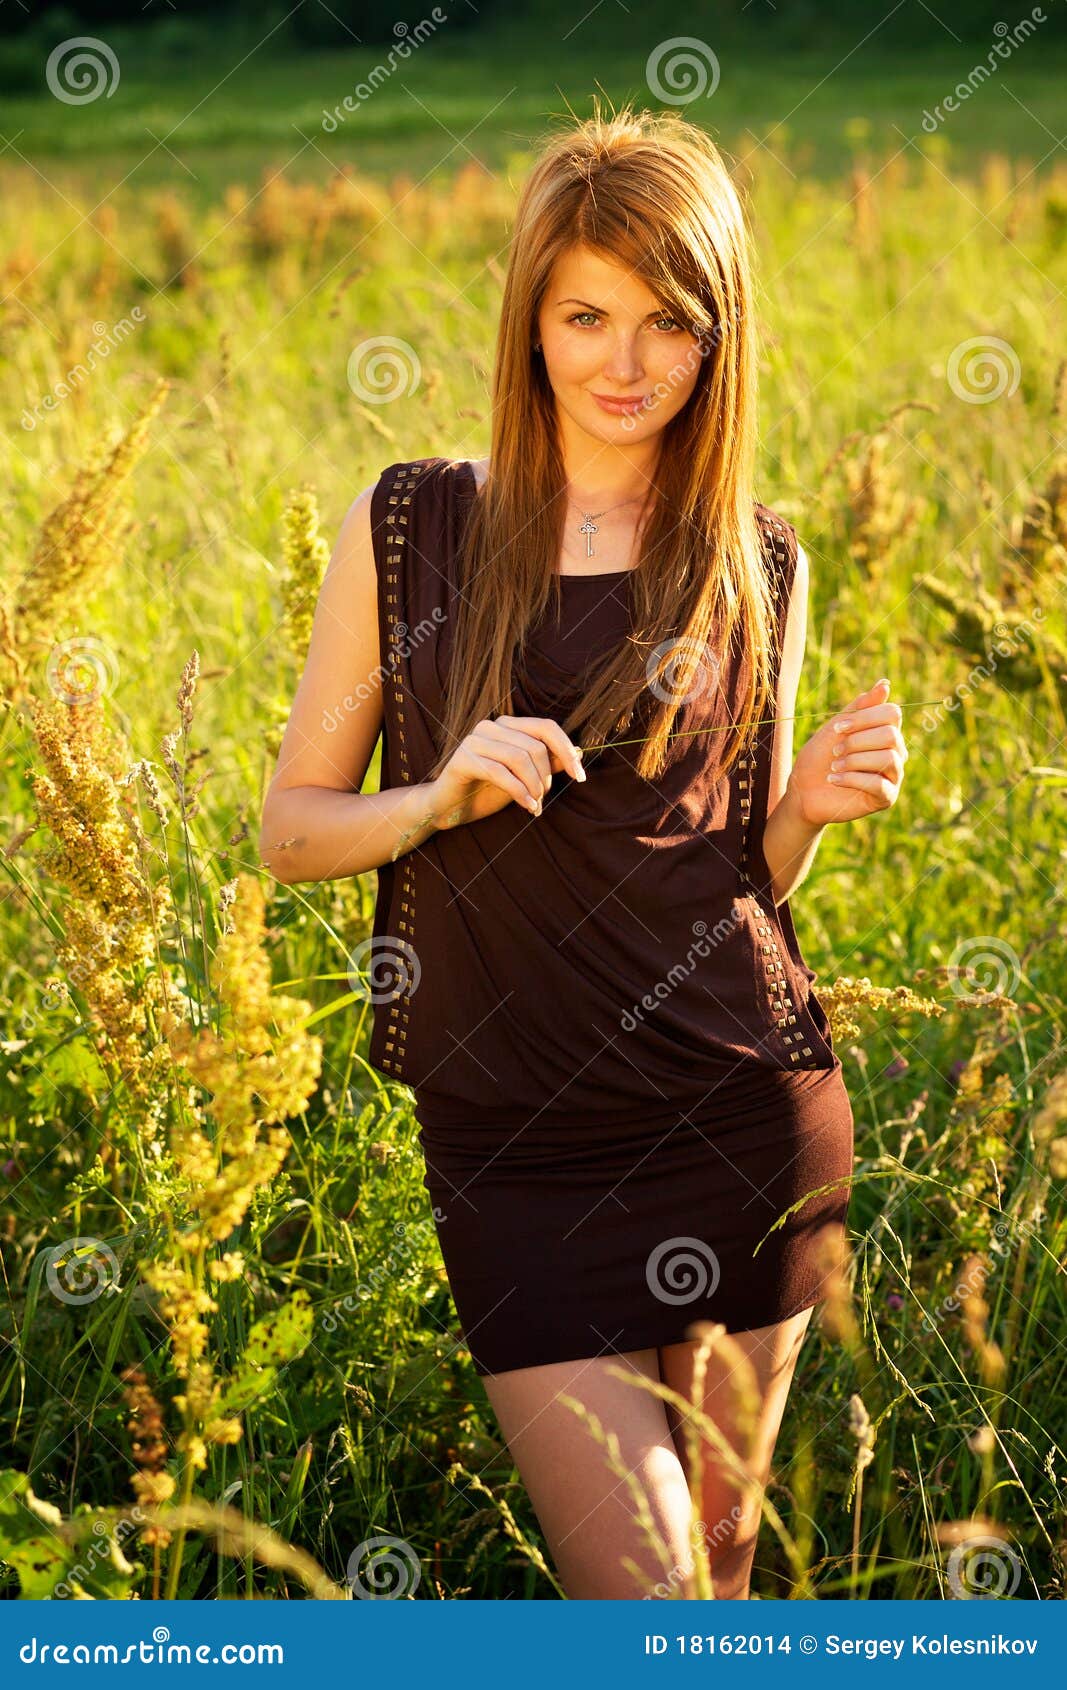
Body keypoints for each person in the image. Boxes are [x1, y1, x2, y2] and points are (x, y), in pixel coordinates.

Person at [260, 103, 907, 1600]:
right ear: (529, 323)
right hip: (517, 1156)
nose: (626, 364)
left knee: (722, 1587)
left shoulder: (757, 554)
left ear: (720, 333)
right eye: (585, 316)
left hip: (744, 1118)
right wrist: (434, 800)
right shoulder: (415, 527)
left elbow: (734, 879)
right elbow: (293, 828)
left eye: (669, 323)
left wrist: (799, 807)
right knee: (649, 1600)